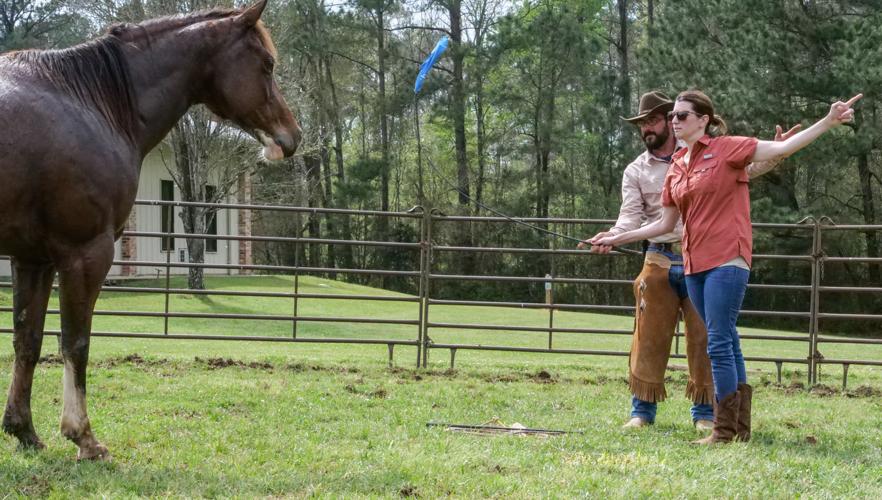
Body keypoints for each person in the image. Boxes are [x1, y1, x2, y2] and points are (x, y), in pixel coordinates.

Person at [593, 89, 861, 444]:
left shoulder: (726, 148)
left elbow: (774, 153)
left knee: (714, 341)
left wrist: (827, 121)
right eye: (671, 116)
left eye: (678, 116)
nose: (672, 122)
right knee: (720, 340)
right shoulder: (675, 167)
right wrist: (614, 238)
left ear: (702, 120)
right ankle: (733, 426)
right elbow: (660, 223)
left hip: (726, 258)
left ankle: (719, 427)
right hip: (686, 260)